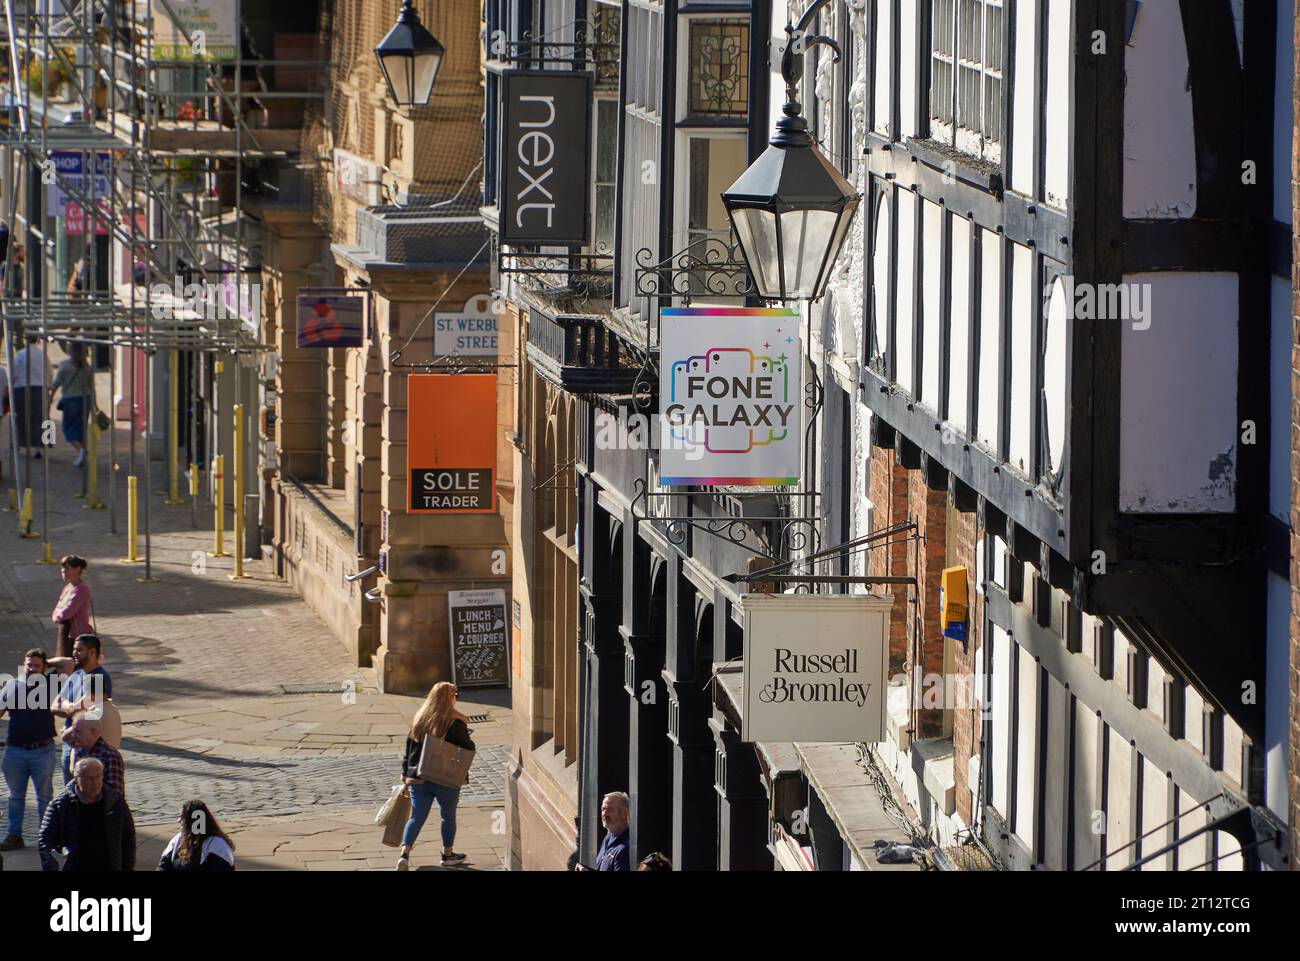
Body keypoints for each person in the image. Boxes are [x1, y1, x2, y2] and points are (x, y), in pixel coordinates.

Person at [396, 681, 475, 870]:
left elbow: (409, 749)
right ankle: (447, 855)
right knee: (447, 816)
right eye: (456, 695)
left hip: (418, 777)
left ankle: (404, 853)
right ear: (450, 697)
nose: (457, 698)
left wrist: (405, 773)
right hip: (444, 778)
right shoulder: (455, 723)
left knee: (416, 816)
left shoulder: (420, 719)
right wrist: (464, 725)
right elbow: (468, 749)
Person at [0, 649, 58, 850]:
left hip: (43, 751)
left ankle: (47, 837)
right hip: (15, 750)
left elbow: (68, 663)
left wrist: (49, 662)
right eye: (28, 664)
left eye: (36, 665)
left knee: (44, 796)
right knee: (15, 796)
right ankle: (14, 835)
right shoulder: (11, 684)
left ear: (44, 668)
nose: (31, 669)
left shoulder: (50, 684)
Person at [38, 757, 136, 872]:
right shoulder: (61, 804)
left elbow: (128, 839)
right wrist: (52, 866)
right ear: (77, 779)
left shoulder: (115, 801)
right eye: (89, 778)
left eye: (97, 777)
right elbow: (46, 840)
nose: (94, 783)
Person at [49, 634, 113, 783]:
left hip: (88, 746)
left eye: (79, 650)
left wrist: (66, 706)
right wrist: (68, 706)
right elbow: (54, 705)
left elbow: (78, 709)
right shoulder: (75, 675)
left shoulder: (99, 678)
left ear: (92, 652)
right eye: (74, 650)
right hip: (70, 744)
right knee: (70, 792)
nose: (74, 654)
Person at [157, 800, 235, 871]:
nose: (179, 820)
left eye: (183, 817)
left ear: (193, 821)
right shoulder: (177, 840)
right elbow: (163, 866)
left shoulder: (218, 845)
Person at [50, 342, 93, 467]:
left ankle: (82, 451)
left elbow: (56, 384)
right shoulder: (87, 367)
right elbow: (92, 387)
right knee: (81, 430)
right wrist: (95, 405)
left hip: (71, 400)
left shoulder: (64, 366)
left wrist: (50, 398)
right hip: (86, 400)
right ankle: (82, 455)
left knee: (68, 430)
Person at [11, 335, 49, 459]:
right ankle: (40, 448)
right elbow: (49, 372)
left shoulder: (20, 354)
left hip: (22, 387)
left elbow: (14, 372)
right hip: (40, 387)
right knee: (41, 418)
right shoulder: (43, 354)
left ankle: (20, 445)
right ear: (37, 339)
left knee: (21, 418)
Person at [68, 714, 124, 796]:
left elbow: (115, 794)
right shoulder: (80, 751)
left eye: (78, 731)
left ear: (93, 732)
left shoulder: (109, 755)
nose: (74, 735)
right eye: (73, 731)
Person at [50, 555, 93, 658]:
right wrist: (56, 615)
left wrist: (57, 617)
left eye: (67, 568)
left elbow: (67, 612)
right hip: (66, 631)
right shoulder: (69, 587)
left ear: (77, 569)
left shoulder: (81, 589)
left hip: (76, 635)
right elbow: (59, 606)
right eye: (62, 568)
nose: (63, 571)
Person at [592, 792, 631, 871]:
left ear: (624, 813)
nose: (604, 813)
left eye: (610, 809)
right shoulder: (608, 837)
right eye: (603, 809)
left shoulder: (624, 849)